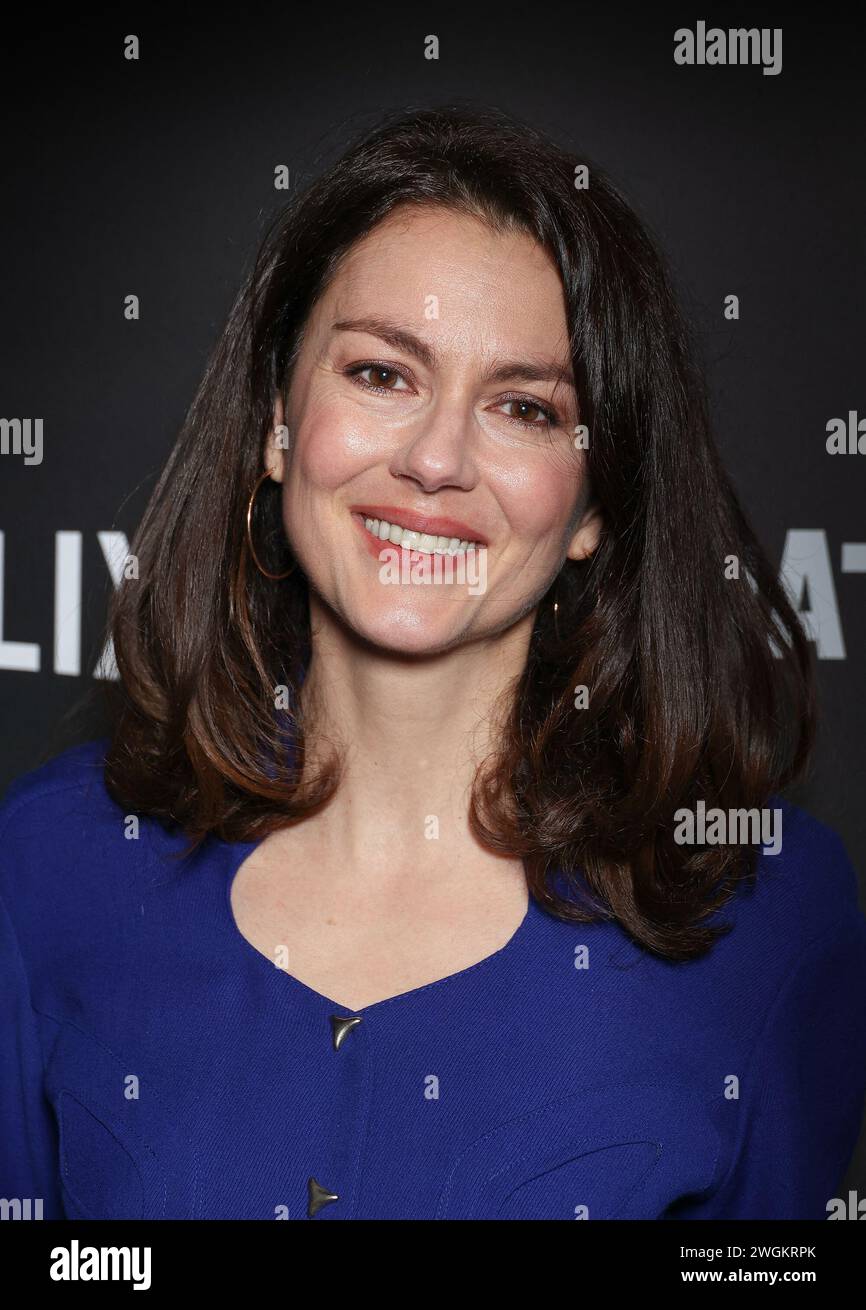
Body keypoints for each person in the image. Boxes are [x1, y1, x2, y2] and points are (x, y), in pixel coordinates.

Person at [2, 105, 865, 1221]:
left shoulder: (763, 910)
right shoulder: (48, 866)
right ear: (276, 419)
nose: (435, 458)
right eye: (379, 374)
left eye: (522, 406)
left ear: (595, 503)